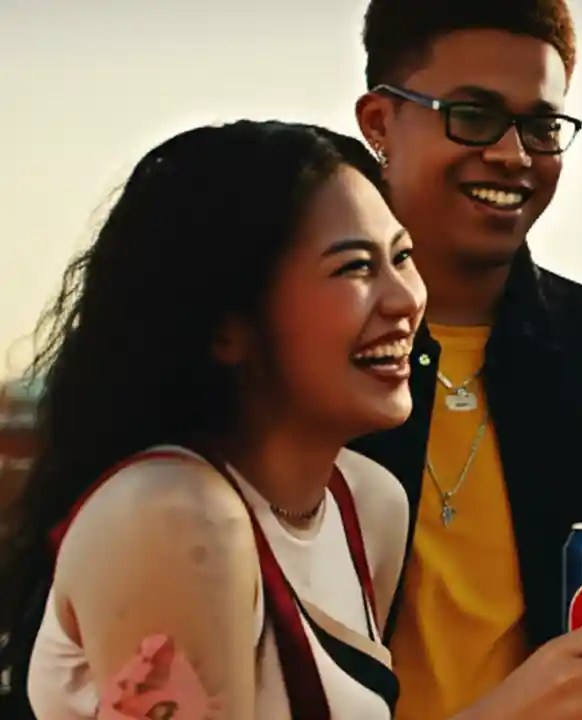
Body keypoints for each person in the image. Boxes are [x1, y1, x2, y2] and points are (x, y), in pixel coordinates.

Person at [0, 121, 424, 718]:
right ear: (226, 329)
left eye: (402, 257)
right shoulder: (172, 517)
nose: (406, 299)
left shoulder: (368, 505)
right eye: (355, 267)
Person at [348, 2, 582, 719]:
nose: (512, 155)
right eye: (473, 116)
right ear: (379, 121)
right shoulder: (302, 346)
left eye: (541, 127)